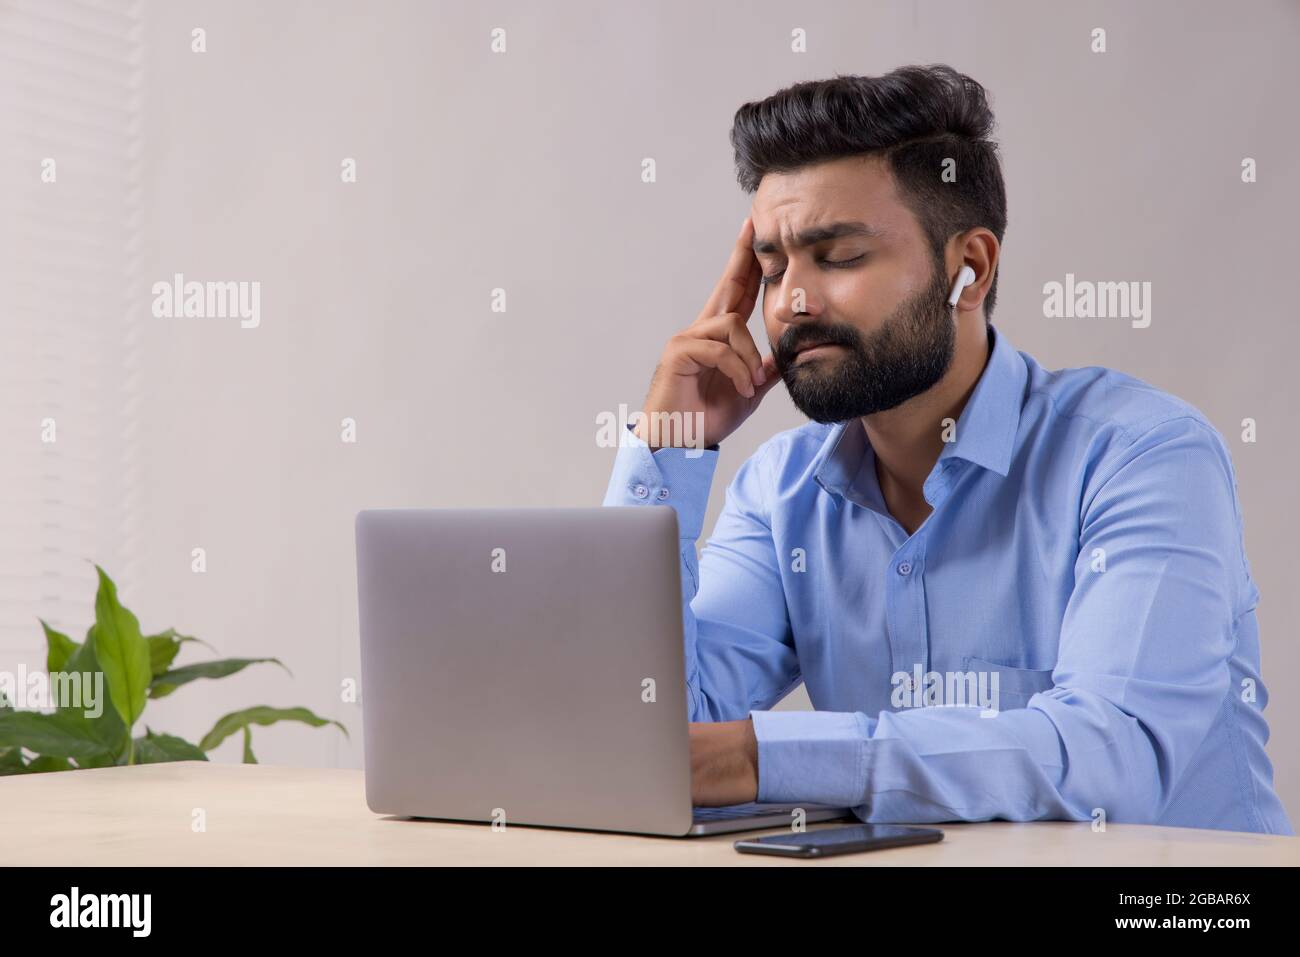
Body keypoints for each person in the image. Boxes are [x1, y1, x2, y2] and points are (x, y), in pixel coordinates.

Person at [602, 64, 1292, 834]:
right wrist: (672, 446)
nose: (791, 302)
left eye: (838, 257)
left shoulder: (1142, 455)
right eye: (772, 266)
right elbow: (647, 728)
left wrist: (760, 757)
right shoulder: (780, 490)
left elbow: (1109, 756)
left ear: (970, 267)